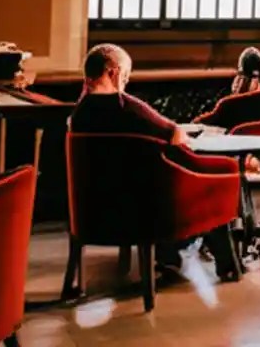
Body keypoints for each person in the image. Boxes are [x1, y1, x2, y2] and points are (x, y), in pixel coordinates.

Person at [69, 44, 240, 281]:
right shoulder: (126, 107)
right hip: (147, 213)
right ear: (114, 72)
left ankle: (171, 254)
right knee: (219, 180)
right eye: (126, 76)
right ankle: (224, 265)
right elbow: (175, 134)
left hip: (95, 213)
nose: (125, 83)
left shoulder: (79, 115)